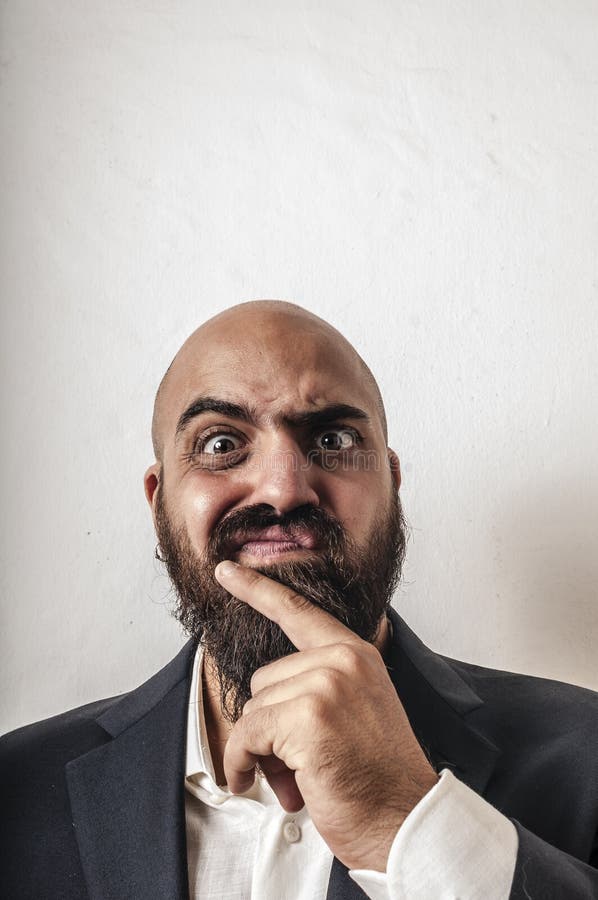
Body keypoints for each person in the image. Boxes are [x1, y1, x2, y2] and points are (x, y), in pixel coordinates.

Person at [1, 300, 597, 900]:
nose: (283, 490)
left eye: (334, 439)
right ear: (159, 502)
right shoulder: (16, 785)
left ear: (391, 483)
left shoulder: (586, 753)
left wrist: (405, 822)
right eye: (220, 443)